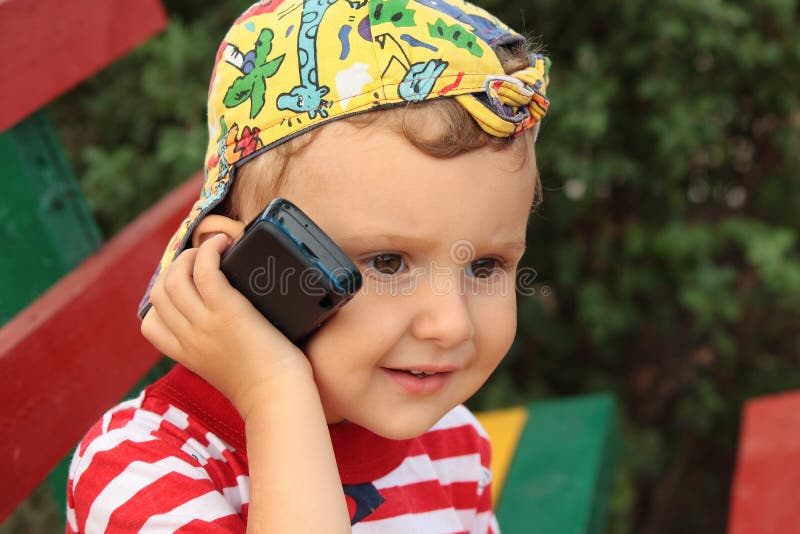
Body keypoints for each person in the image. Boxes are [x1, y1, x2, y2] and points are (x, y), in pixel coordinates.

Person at [66, 0, 551, 531]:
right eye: (387, 263)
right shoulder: (140, 472)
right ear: (236, 264)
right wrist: (275, 391)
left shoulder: (452, 445)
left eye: (485, 267)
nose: (451, 324)